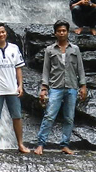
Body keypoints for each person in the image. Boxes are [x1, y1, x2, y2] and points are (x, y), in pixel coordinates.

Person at [36, 20, 87, 155]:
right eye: (59, 31)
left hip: (72, 87)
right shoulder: (50, 50)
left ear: (68, 32)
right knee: (49, 116)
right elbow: (46, 70)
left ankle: (65, 145)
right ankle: (41, 144)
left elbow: (80, 68)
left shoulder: (75, 49)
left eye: (64, 30)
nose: (61, 33)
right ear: (55, 33)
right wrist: (44, 88)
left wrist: (83, 86)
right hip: (55, 87)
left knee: (69, 117)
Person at [0, 23, 31, 155]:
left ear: (6, 33)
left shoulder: (14, 49)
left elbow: (18, 68)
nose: (1, 34)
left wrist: (20, 85)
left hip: (12, 88)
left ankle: (20, 144)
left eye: (3, 32)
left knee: (17, 116)